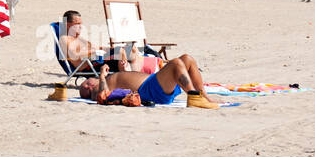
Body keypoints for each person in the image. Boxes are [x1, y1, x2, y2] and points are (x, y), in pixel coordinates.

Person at [78, 54, 219, 108]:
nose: (88, 81)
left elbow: (128, 80)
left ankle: (204, 97)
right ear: (89, 86)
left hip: (152, 83)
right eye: (86, 84)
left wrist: (125, 70)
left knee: (187, 59)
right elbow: (103, 95)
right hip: (148, 91)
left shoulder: (107, 80)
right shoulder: (97, 89)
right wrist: (102, 76)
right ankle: (194, 97)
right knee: (176, 63)